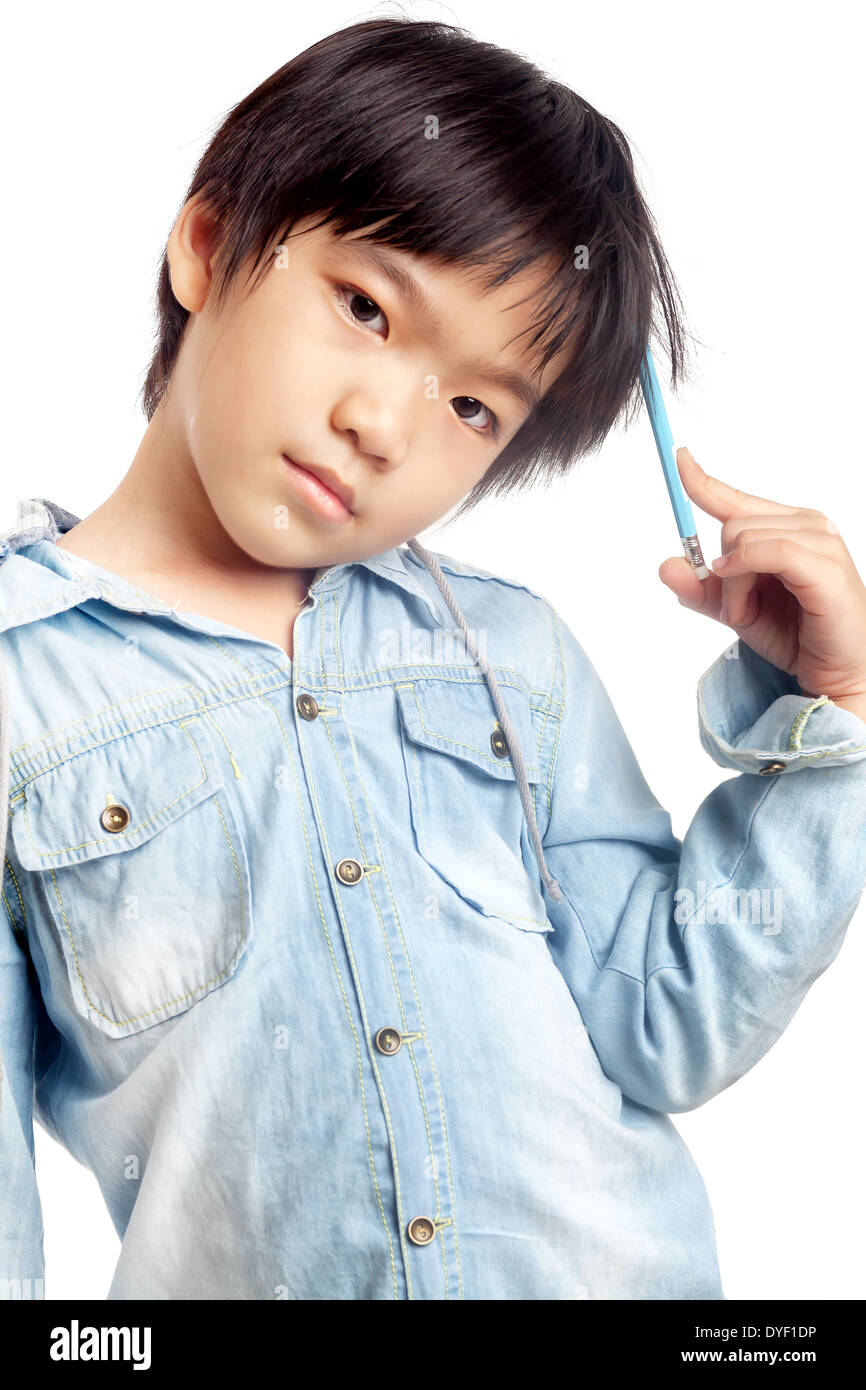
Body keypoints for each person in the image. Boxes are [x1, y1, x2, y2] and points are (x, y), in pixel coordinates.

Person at [1, 16, 865, 1302]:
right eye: (363, 308)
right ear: (206, 245)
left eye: (471, 407)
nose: (379, 426)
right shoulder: (25, 692)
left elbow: (662, 1018)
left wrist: (830, 717)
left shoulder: (510, 656)